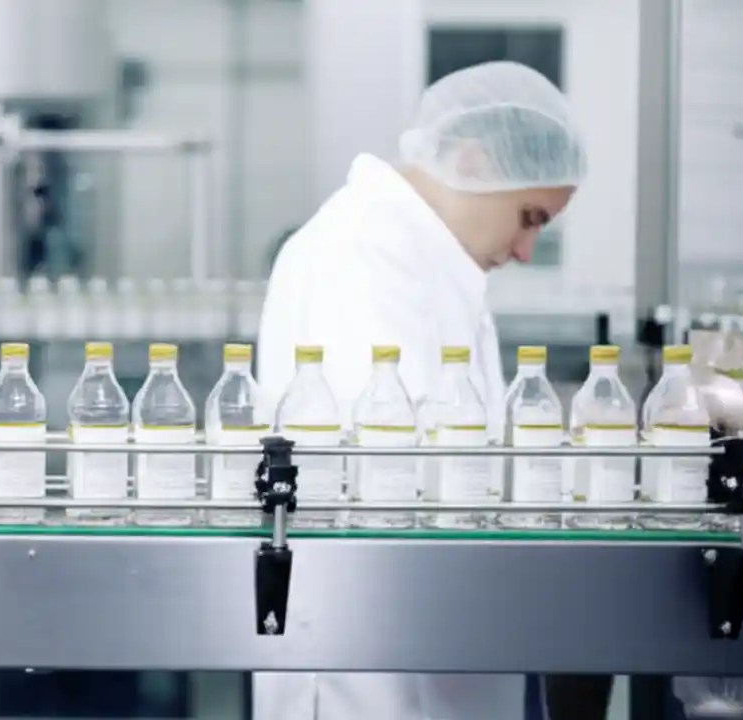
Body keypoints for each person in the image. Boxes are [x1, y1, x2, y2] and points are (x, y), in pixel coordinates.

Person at [254, 61, 586, 720]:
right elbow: (394, 467)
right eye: (528, 217)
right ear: (472, 161)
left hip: (427, 635)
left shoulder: (427, 258)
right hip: (370, 659)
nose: (526, 249)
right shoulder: (361, 253)